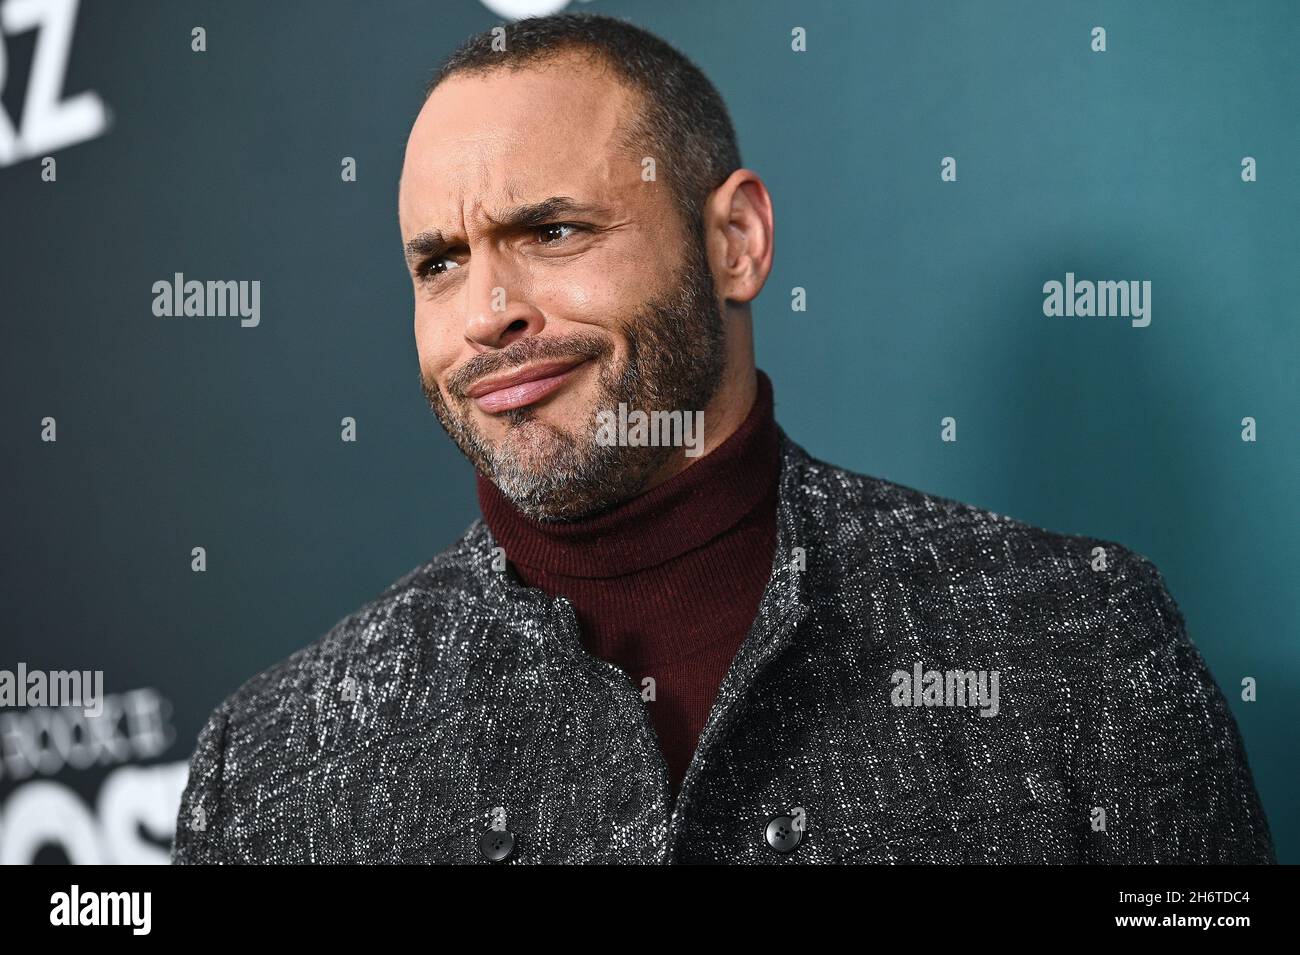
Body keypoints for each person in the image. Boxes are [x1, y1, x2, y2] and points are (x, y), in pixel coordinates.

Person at [172, 13, 1274, 864]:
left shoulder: (1072, 642)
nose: (486, 312)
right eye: (440, 262)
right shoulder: (274, 768)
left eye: (550, 231)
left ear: (736, 241)